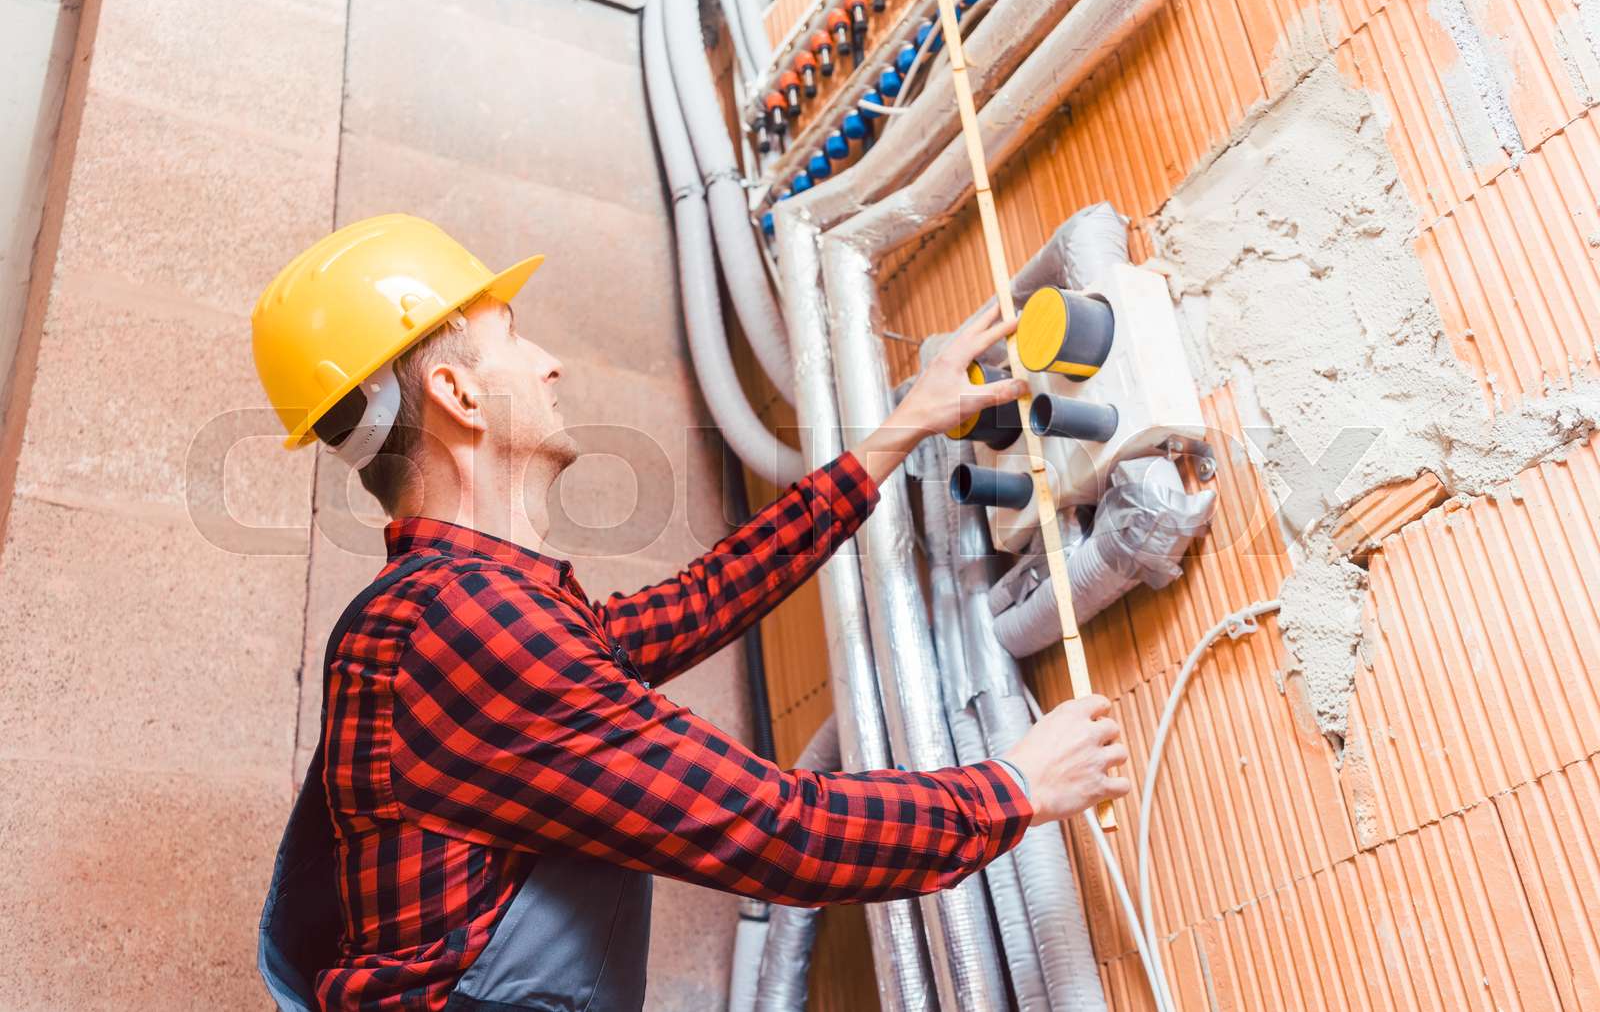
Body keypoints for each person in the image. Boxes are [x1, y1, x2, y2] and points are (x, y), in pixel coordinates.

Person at [251, 214, 1130, 1012]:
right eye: (513, 339)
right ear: (460, 395)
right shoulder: (464, 625)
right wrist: (1015, 788)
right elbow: (779, 832)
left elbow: (693, 605)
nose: (550, 362)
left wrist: (895, 434)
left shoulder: (457, 611)